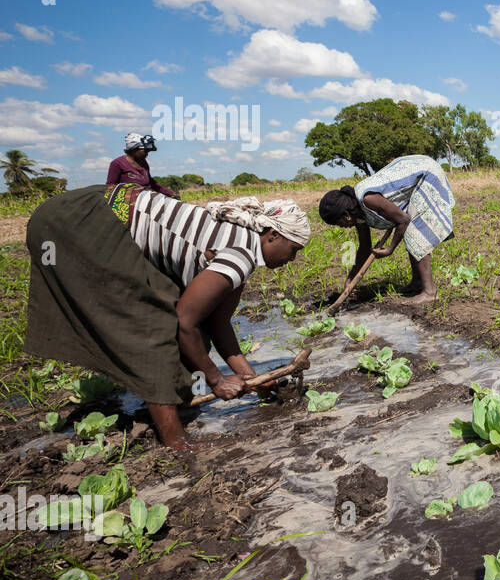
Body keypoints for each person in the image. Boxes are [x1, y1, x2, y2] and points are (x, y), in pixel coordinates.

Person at [26, 184, 311, 448]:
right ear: (272, 235)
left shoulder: (244, 249)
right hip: (79, 223)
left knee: (187, 323)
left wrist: (252, 380)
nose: (292, 259)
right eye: (294, 250)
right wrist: (216, 380)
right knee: (155, 326)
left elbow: (218, 322)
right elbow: (183, 323)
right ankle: (176, 442)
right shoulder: (240, 255)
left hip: (99, 212)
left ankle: (175, 402)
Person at [318, 155, 455, 304]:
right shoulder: (357, 213)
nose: (342, 227)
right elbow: (365, 248)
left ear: (346, 215)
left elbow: (403, 220)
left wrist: (390, 248)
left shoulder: (367, 199)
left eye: (339, 224)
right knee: (409, 229)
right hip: (416, 175)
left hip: (426, 174)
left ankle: (430, 292)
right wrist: (350, 279)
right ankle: (417, 283)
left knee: (414, 231)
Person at [106, 133, 175, 196]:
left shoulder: (143, 163)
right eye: (145, 151)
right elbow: (110, 187)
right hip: (127, 201)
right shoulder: (117, 163)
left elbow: (152, 183)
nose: (147, 153)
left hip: (145, 198)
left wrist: (170, 193)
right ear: (135, 150)